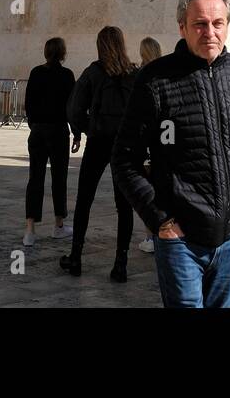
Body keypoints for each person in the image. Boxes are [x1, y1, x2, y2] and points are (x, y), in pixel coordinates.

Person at [112, 0, 230, 308]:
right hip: (180, 242)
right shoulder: (155, 79)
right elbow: (124, 159)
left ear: (227, 25)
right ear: (182, 27)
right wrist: (161, 220)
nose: (210, 32)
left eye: (218, 23)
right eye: (200, 24)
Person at [61, 26, 137, 281]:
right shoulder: (133, 73)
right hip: (123, 144)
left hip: (98, 141)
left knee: (85, 199)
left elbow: (74, 109)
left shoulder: (93, 72)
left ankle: (76, 257)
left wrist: (85, 128)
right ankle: (121, 264)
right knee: (124, 205)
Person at [23, 37, 76, 248]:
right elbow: (72, 106)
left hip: (38, 130)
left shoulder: (36, 72)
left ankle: (30, 230)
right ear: (63, 53)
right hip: (58, 130)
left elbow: (28, 102)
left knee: (35, 178)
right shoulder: (67, 75)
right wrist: (77, 132)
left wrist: (34, 124)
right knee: (59, 178)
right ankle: (58, 224)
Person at [135, 36, 162, 254]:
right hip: (163, 139)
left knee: (147, 192)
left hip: (145, 140)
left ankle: (150, 237)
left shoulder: (140, 75)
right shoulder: (166, 73)